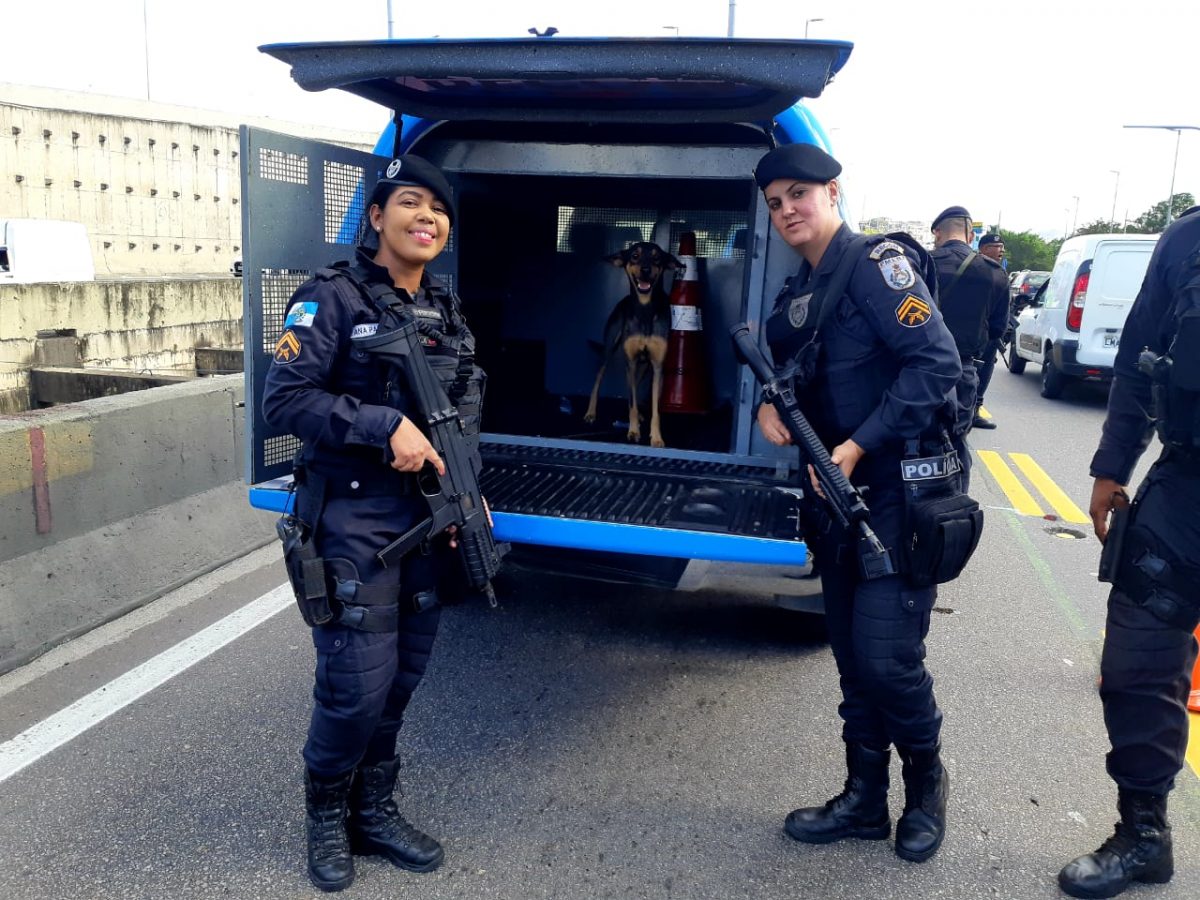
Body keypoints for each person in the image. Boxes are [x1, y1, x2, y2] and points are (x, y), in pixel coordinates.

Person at [263, 155, 483, 892]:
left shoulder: (446, 309)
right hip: (353, 518)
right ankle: (325, 817)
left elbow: (463, 414)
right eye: (411, 204)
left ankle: (373, 811)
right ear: (377, 217)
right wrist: (381, 422)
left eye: (439, 210)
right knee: (355, 685)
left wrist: (468, 493)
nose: (427, 219)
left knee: (403, 679)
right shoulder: (330, 298)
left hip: (427, 521)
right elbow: (285, 401)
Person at [753, 143, 963, 863]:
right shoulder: (799, 293)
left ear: (833, 192)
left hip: (899, 492)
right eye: (775, 202)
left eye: (798, 195)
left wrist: (857, 445)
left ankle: (928, 786)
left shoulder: (878, 267)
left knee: (887, 658)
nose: (786, 211)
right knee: (850, 655)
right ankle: (863, 800)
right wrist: (768, 412)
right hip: (839, 501)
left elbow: (935, 361)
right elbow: (797, 374)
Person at [1058, 206, 1200, 899]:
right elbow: (1139, 362)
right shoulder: (1186, 239)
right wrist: (1111, 467)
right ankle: (1145, 836)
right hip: (1188, 485)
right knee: (1135, 661)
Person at [930, 211, 1010, 440]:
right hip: (963, 371)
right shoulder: (994, 272)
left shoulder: (920, 263)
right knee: (955, 446)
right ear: (971, 235)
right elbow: (998, 329)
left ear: (937, 233)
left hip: (917, 371)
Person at [963, 232, 1008, 429]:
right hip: (971, 331)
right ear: (983, 248)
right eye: (996, 247)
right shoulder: (971, 268)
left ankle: (974, 410)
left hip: (987, 333)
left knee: (985, 370)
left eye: (1002, 247)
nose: (1001, 251)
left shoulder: (999, 272)